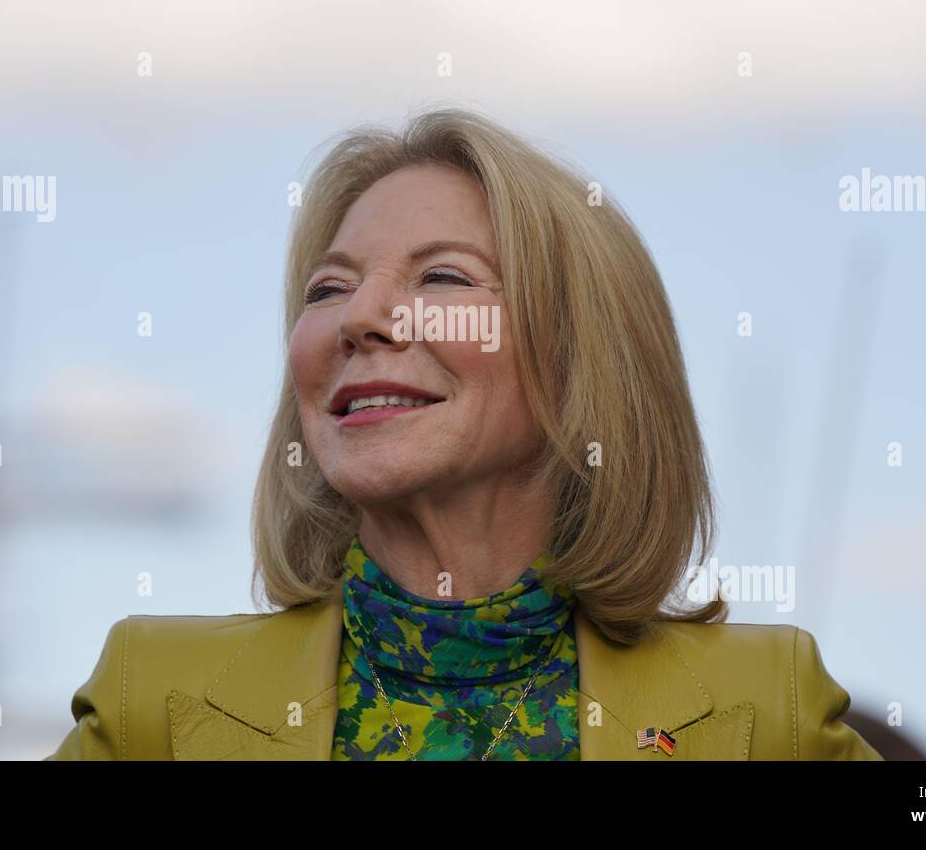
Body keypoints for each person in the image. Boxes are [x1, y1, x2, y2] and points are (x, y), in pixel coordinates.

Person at [45, 107, 882, 761]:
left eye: (442, 276)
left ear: (579, 360)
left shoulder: (770, 713)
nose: (363, 316)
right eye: (328, 288)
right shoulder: (149, 703)